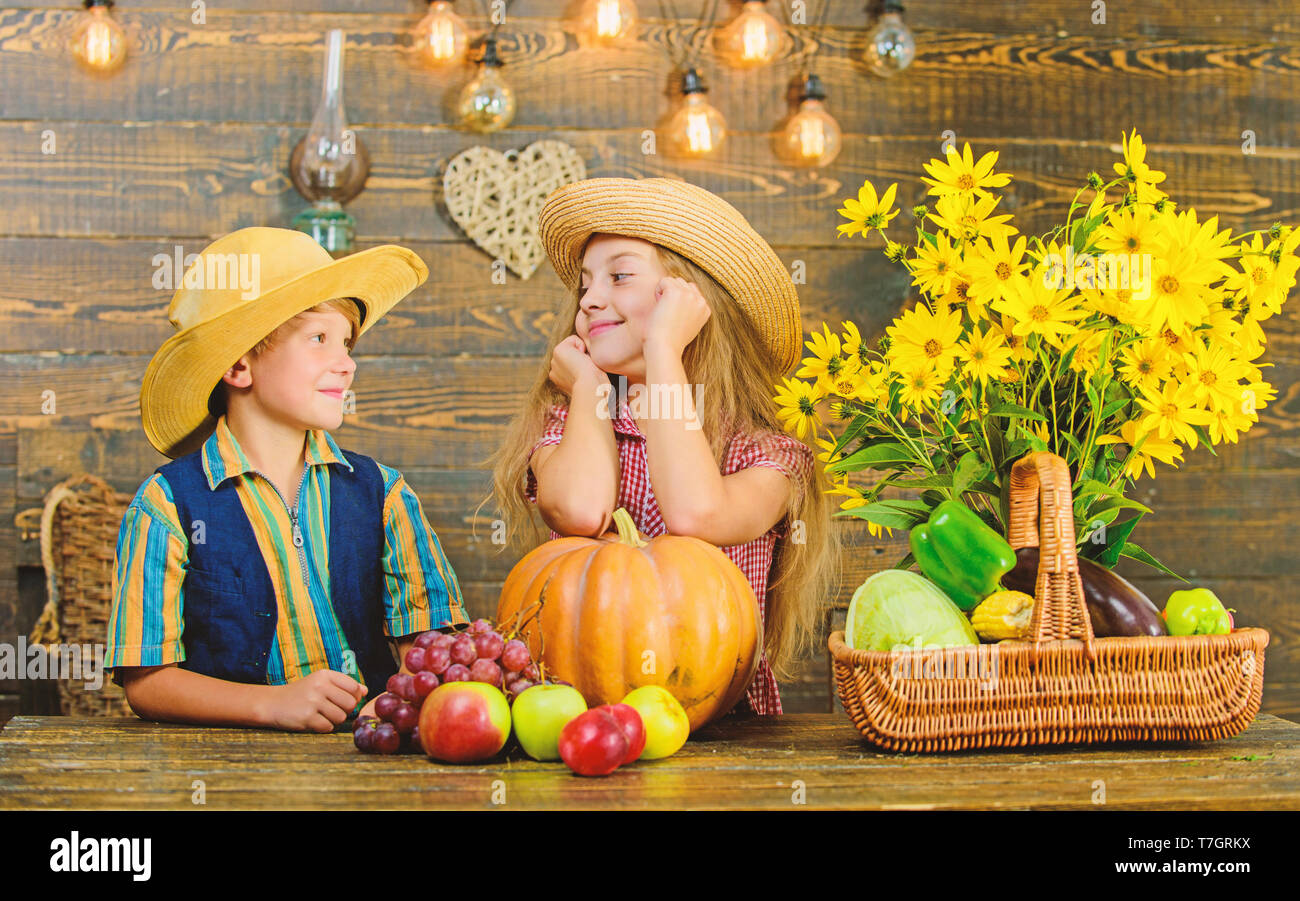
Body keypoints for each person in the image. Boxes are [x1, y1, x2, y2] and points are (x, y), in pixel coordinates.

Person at [487, 177, 841, 716]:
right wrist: (588, 389)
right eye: (585, 285)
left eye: (619, 276)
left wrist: (662, 352)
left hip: (721, 721)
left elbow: (697, 514)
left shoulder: (766, 450)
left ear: (692, 298)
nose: (590, 299)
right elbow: (580, 511)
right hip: (585, 713)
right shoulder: (574, 420)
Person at [105, 227, 468, 732]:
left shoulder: (384, 494)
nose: (346, 364)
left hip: (370, 769)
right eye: (319, 339)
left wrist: (395, 701)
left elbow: (429, 649)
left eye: (346, 343)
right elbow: (147, 683)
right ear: (238, 364)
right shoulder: (166, 504)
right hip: (230, 774)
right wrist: (270, 705)